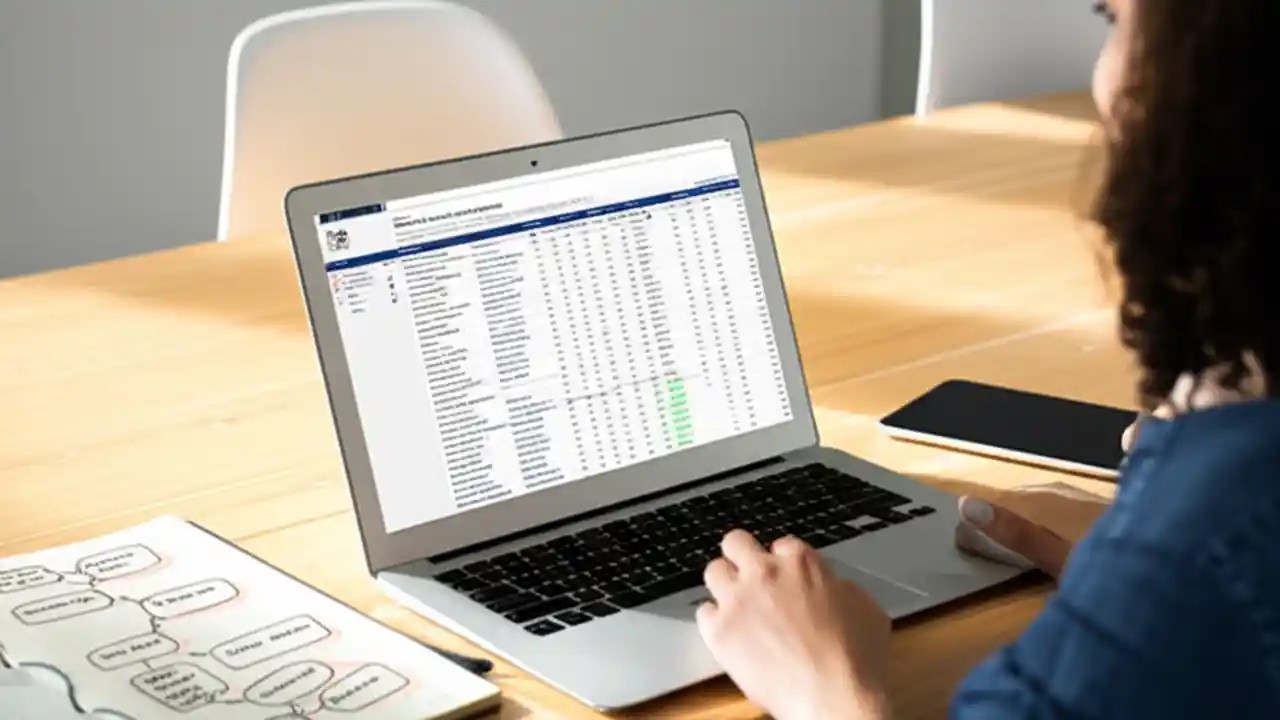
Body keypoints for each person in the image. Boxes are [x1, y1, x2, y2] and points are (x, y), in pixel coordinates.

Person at [695, 0, 1280, 717]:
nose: (1106, 81)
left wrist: (822, 688)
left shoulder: (1216, 523)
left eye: (1115, 20)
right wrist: (1139, 578)